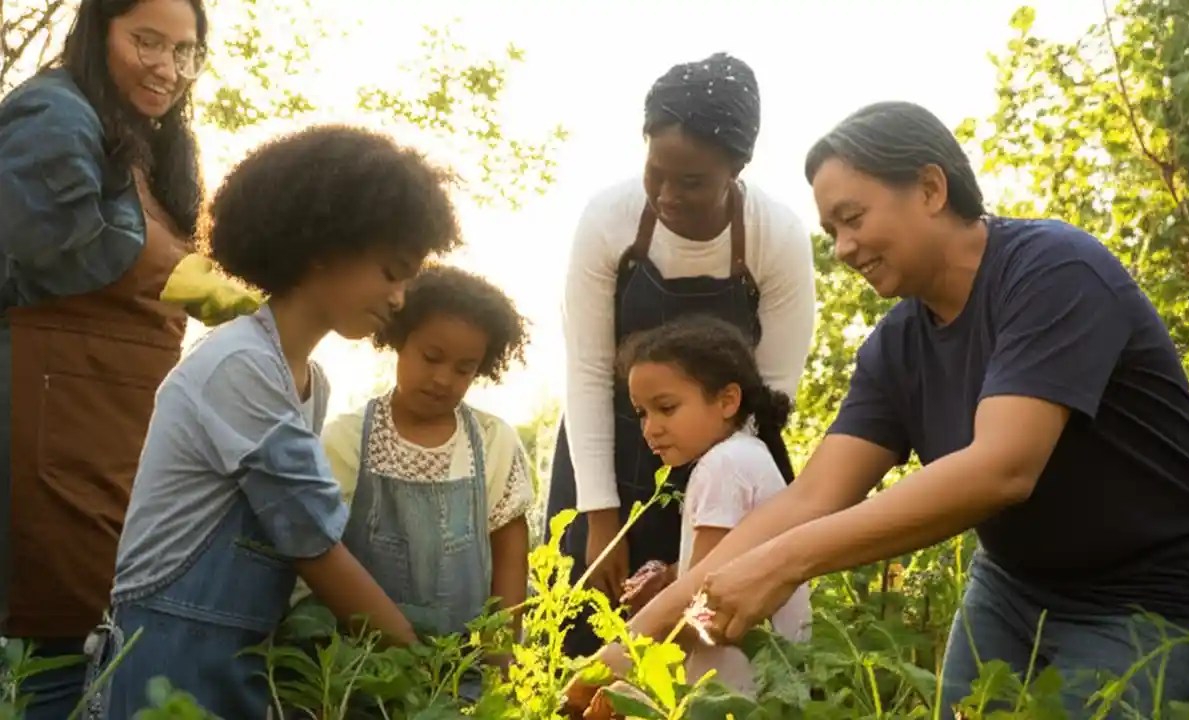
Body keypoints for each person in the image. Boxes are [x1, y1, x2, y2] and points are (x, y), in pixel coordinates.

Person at [570, 101, 1189, 717]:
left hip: (1153, 596)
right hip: (1016, 591)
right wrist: (636, 643)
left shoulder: (1052, 272)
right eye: (831, 229)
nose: (841, 249)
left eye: (853, 218)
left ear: (930, 188)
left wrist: (786, 564)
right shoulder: (897, 345)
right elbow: (812, 497)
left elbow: (1002, 468)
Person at [94, 125, 462, 718]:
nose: (400, 298)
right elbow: (312, 540)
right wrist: (432, 675)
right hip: (166, 650)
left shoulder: (309, 383)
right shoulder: (239, 364)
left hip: (241, 654)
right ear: (326, 248)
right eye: (391, 272)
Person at [0, 0, 255, 715]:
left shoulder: (147, 139)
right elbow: (56, 235)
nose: (167, 68)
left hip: (116, 425)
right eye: (146, 41)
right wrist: (196, 281)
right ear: (97, 29)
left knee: (102, 642)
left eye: (184, 52)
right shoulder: (53, 112)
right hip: (54, 416)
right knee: (53, 648)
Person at [546, 51, 816, 657]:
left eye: (690, 181)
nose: (666, 195)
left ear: (737, 167)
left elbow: (769, 398)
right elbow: (589, 371)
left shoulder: (776, 236)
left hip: (723, 463)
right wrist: (600, 517)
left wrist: (713, 519)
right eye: (655, 172)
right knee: (581, 648)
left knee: (701, 648)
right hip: (607, 457)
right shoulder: (608, 220)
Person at [313, 264, 535, 696]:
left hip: (461, 682)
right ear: (398, 340)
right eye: (431, 358)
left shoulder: (492, 443)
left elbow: (510, 556)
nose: (442, 379)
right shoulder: (346, 439)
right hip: (357, 680)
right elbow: (319, 551)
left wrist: (500, 669)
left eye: (464, 369)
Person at [615, 315, 810, 697]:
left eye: (666, 408)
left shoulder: (722, 467)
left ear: (727, 400)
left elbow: (705, 600)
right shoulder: (749, 454)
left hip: (732, 693)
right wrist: (669, 574)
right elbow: (724, 562)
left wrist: (630, 662)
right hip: (775, 685)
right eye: (642, 413)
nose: (650, 428)